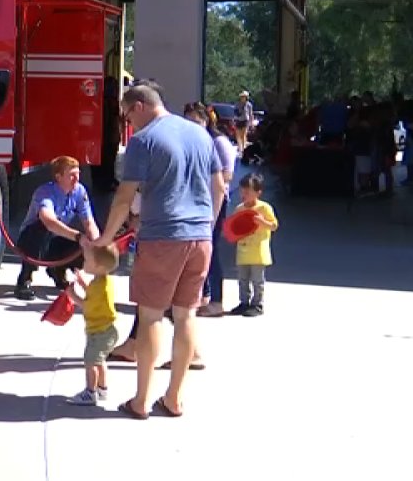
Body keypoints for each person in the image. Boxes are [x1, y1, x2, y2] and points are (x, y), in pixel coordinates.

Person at [94, 83, 225, 420]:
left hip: (162, 238)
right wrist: (207, 225)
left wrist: (105, 238)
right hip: (200, 237)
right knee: (185, 316)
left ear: (139, 106)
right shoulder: (200, 134)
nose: (128, 123)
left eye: (127, 116)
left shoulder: (144, 140)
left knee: (151, 316)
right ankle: (173, 398)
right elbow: (219, 187)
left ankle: (140, 400)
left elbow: (124, 198)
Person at [14, 156, 101, 300]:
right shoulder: (45, 192)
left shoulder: (79, 191)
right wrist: (78, 236)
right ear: (58, 177)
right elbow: (49, 221)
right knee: (40, 229)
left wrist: (97, 245)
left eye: (78, 174)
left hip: (56, 239)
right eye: (71, 175)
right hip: (32, 239)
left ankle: (58, 271)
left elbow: (89, 222)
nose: (76, 179)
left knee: (83, 246)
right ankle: (24, 280)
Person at [185, 103, 235, 317]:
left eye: (196, 121)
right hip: (193, 201)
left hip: (214, 203)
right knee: (196, 252)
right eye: (188, 121)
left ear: (207, 121)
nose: (192, 126)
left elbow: (226, 176)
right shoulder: (188, 142)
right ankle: (202, 295)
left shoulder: (219, 142)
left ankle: (216, 300)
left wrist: (213, 214)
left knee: (211, 250)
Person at [65, 244, 120, 405]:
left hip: (99, 332)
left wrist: (72, 295)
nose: (84, 261)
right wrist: (83, 284)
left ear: (99, 266)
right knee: (99, 361)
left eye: (88, 260)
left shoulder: (100, 287)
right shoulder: (101, 281)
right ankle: (102, 389)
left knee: (91, 362)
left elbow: (87, 305)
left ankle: (90, 393)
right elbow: (93, 296)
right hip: (105, 330)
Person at [229, 173, 279, 316]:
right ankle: (244, 302)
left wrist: (263, 222)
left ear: (258, 193)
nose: (243, 194)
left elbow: (274, 226)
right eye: (242, 191)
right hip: (243, 250)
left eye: (247, 192)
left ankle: (257, 304)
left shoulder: (264, 208)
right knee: (242, 279)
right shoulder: (239, 208)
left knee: (257, 280)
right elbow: (233, 227)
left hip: (258, 251)